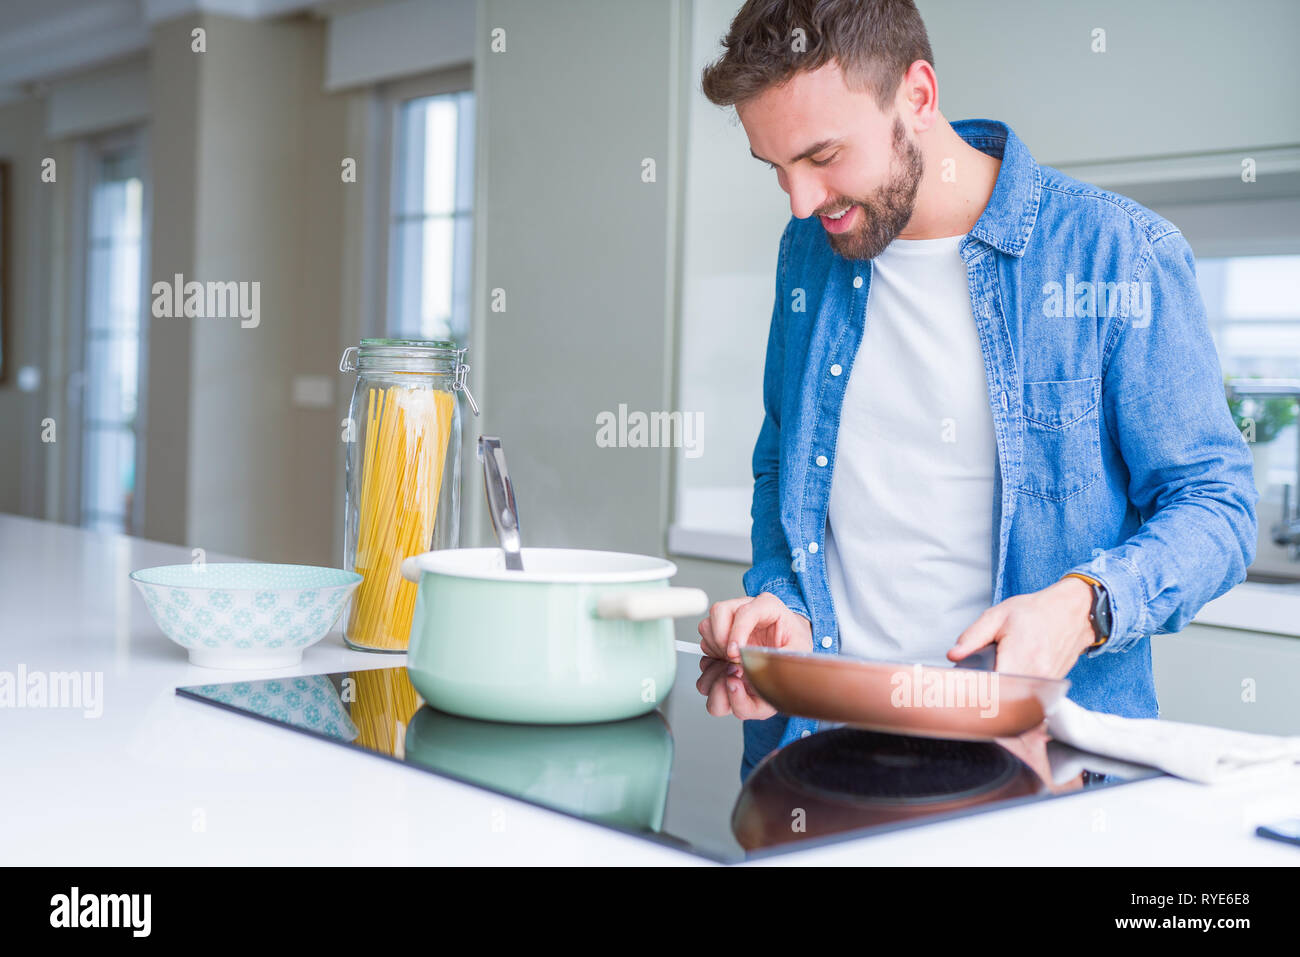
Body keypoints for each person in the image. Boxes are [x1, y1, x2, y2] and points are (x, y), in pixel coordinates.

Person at [692, 0, 1259, 779]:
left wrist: (1083, 604)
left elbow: (1218, 504)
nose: (799, 200)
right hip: (814, 757)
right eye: (777, 168)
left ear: (917, 96)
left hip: (1043, 779)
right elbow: (781, 464)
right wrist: (780, 602)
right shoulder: (809, 252)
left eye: (823, 156)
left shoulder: (1115, 255)